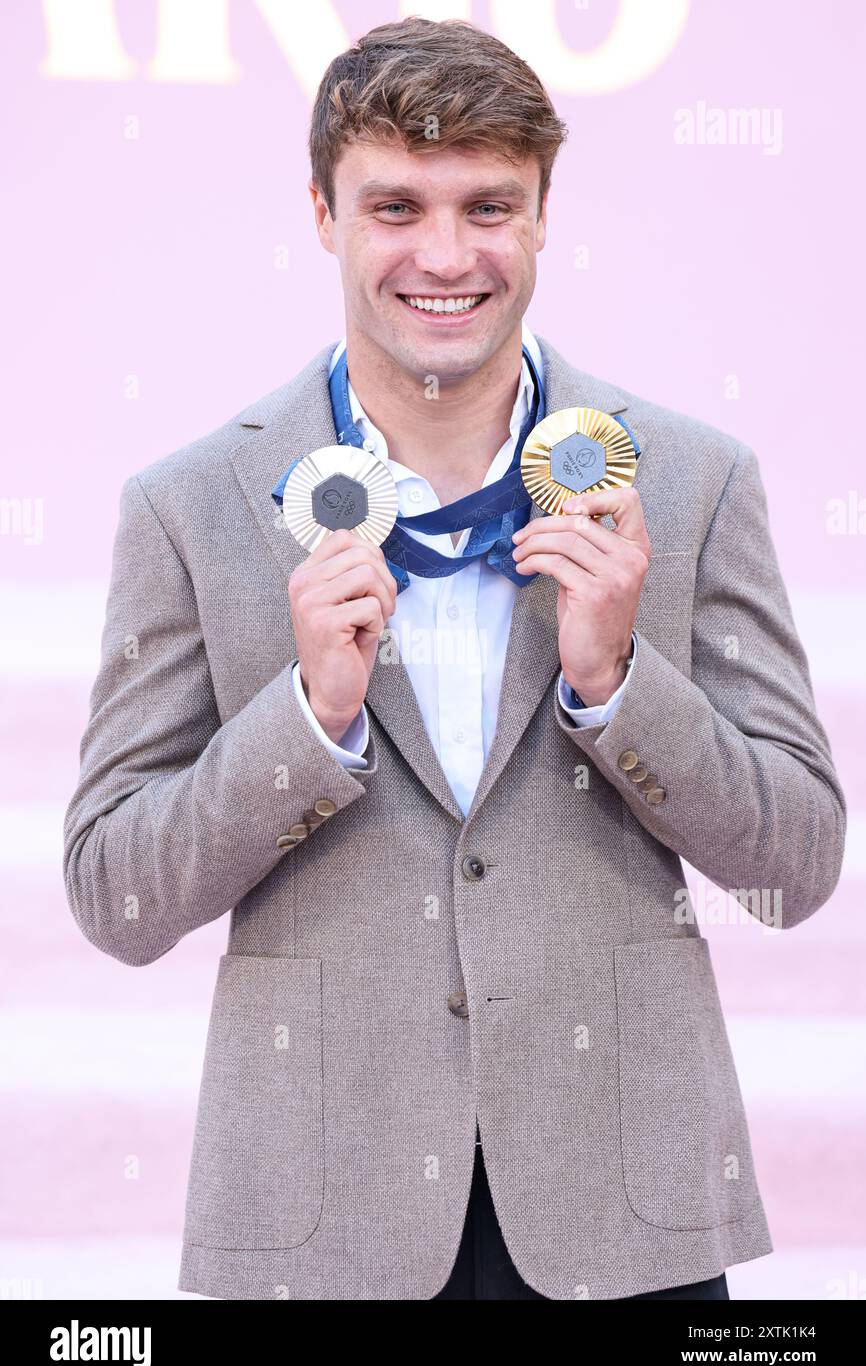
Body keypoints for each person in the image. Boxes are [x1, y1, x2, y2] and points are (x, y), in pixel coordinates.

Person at [63, 17, 845, 1301]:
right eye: (394, 206)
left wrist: (618, 685)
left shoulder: (693, 480)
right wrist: (305, 718)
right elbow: (115, 896)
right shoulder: (189, 505)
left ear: (543, 216)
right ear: (321, 214)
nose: (444, 255)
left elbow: (794, 867)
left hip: (625, 1226)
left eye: (488, 205)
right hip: (318, 1234)